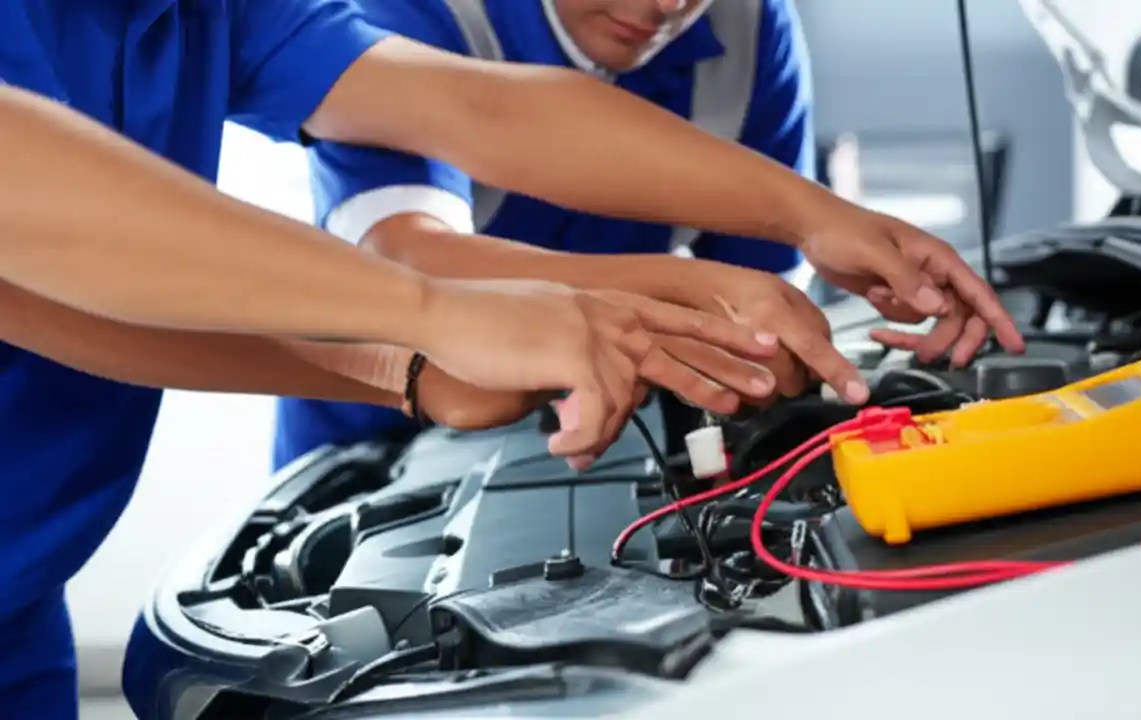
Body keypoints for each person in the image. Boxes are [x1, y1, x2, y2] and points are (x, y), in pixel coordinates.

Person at [1, 0, 1021, 714]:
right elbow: (27, 208)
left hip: (22, 595)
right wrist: (425, 311)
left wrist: (811, 213)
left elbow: (477, 105)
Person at [274, 0, 835, 468]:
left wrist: (820, 230)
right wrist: (682, 287)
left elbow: (762, 301)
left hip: (609, 435)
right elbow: (404, 262)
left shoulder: (751, 26)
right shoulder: (407, 12)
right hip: (377, 433)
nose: (666, 6)